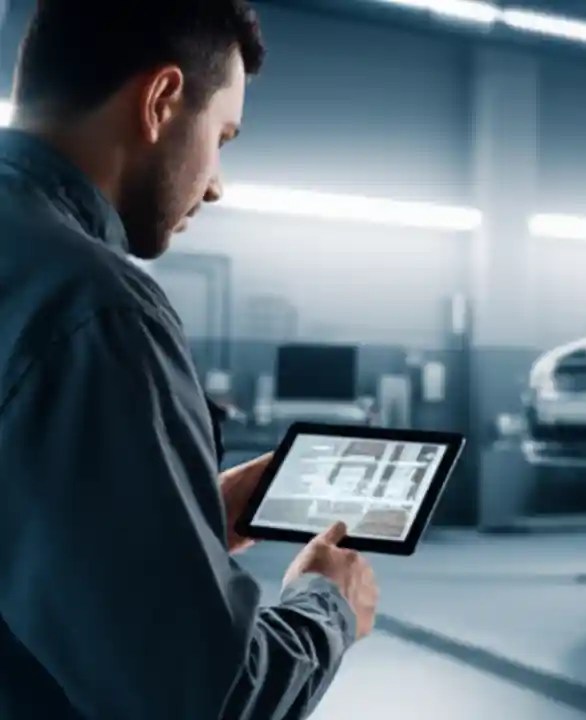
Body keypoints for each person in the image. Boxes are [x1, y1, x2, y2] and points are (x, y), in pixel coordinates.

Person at [0, 1, 379, 718]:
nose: (214, 185)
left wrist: (186, 511)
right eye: (223, 138)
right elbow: (206, 698)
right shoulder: (96, 310)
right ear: (162, 100)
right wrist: (328, 605)